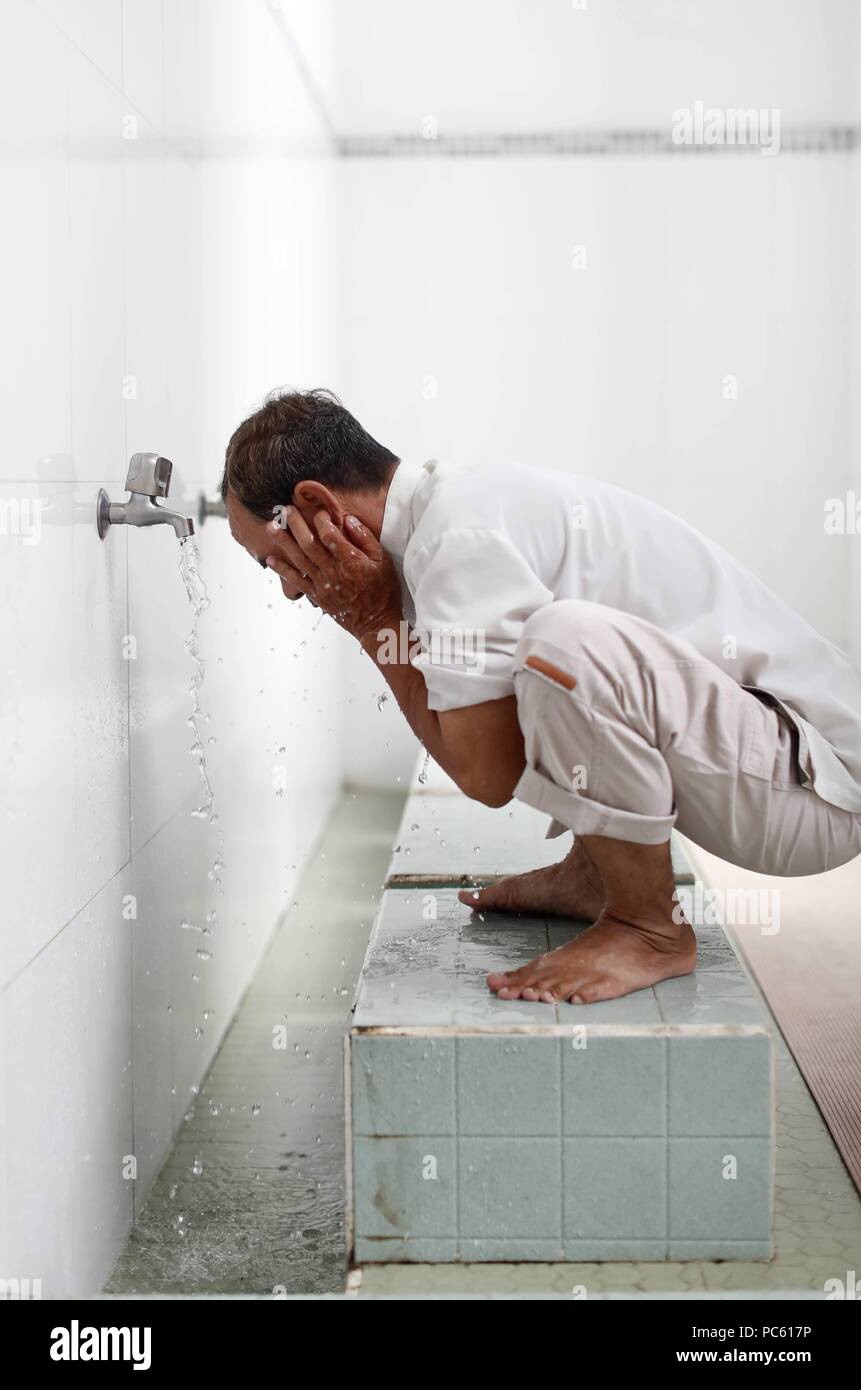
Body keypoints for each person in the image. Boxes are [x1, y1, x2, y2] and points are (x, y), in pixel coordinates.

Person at [222, 388, 861, 1004]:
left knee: (561, 644)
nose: (288, 590)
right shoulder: (450, 518)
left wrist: (374, 623)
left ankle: (650, 929)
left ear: (315, 506)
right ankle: (596, 873)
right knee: (546, 658)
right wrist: (381, 617)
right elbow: (514, 735)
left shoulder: (456, 540)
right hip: (775, 759)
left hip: (817, 791)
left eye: (271, 560)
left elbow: (488, 773)